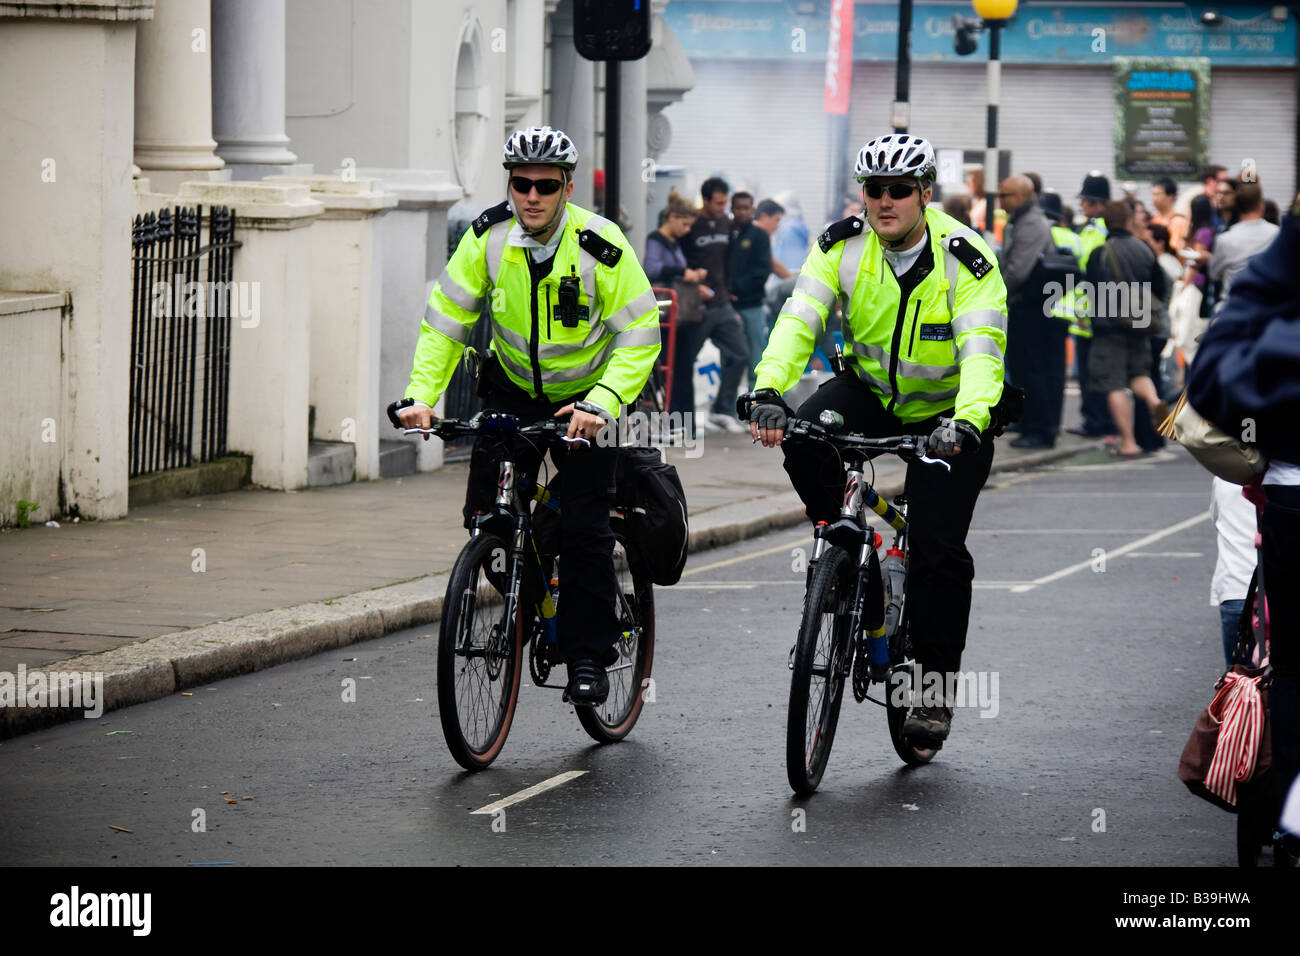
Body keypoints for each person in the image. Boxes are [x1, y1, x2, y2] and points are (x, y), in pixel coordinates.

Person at [748, 133, 1008, 749]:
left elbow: (981, 352)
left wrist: (969, 421)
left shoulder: (965, 258)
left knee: (939, 552)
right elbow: (798, 319)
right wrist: (767, 390)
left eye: (898, 191)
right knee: (804, 437)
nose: (884, 202)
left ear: (924, 195)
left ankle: (934, 696)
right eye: (874, 190)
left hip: (947, 416)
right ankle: (838, 545)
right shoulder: (842, 246)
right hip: (868, 391)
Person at [397, 125, 661, 706]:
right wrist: (422, 396)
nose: (532, 196)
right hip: (513, 393)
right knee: (486, 520)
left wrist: (604, 403)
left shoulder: (601, 244)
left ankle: (589, 654)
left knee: (587, 530)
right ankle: (528, 587)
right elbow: (445, 323)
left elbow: (641, 336)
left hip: (587, 400)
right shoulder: (487, 237)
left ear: (567, 188)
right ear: (510, 185)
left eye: (546, 185)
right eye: (522, 184)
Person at [1188, 203, 1300, 854]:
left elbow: (1210, 389)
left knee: (1286, 670)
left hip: (1283, 490)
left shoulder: (1264, 280)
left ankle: (1286, 821)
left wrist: (1258, 446)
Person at [1084, 200, 1169, 458]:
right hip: (1140, 323)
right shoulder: (1144, 249)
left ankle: (1128, 442)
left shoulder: (1100, 252)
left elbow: (1093, 290)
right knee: (1139, 373)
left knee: (1114, 384)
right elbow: (1161, 287)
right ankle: (1155, 402)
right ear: (1129, 219)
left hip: (1110, 328)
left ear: (1106, 222)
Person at [683, 176, 750, 433]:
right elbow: (680, 259)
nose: (723, 208)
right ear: (706, 200)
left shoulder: (727, 224)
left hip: (722, 303)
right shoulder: (692, 224)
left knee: (739, 353)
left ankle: (722, 410)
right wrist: (692, 285)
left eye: (725, 203)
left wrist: (730, 289)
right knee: (685, 360)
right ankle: (682, 420)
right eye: (718, 203)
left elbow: (731, 260)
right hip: (697, 308)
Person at [998, 174, 1059, 448]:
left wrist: (997, 294)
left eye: (1006, 195)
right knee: (1023, 370)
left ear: (1022, 196)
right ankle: (1029, 424)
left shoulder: (1031, 223)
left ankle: (1039, 430)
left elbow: (1017, 270)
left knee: (1032, 371)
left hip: (1032, 309)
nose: (1001, 201)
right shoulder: (1020, 220)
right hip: (1026, 307)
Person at [1065, 172, 1118, 439]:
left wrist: (1085, 313)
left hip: (1091, 315)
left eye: (1085, 201)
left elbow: (1093, 275)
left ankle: (1095, 422)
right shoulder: (1094, 229)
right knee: (1095, 372)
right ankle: (1100, 419)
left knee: (1091, 374)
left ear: (1097, 203)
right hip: (1091, 312)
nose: (1082, 205)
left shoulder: (1098, 232)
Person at [731, 194, 784, 389]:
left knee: (756, 358)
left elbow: (764, 270)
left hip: (752, 305)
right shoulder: (728, 233)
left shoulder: (760, 236)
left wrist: (735, 288)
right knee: (732, 357)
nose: (743, 212)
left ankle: (756, 404)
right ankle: (728, 407)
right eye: (738, 208)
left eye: (746, 208)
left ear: (752, 209)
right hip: (729, 306)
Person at [1209, 182, 1279, 309]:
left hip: (1233, 308)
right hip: (1268, 307)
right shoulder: (1277, 234)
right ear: (1261, 206)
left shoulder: (1225, 239)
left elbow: (1214, 273)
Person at [1149, 176, 1188, 252]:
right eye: (1153, 194)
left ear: (1171, 196)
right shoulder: (1153, 218)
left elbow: (1174, 248)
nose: (1154, 198)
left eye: (1157, 194)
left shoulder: (1178, 221)